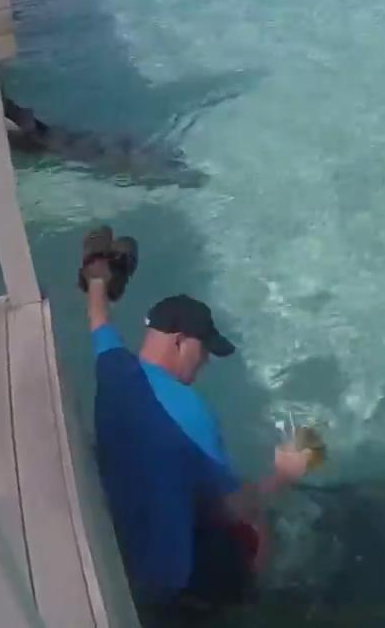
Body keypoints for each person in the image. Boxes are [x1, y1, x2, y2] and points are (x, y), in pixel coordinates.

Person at [81, 227, 310, 624]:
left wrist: (98, 279)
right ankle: (253, 608)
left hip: (118, 544)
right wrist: (283, 475)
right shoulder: (191, 414)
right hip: (166, 587)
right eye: (203, 351)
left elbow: (99, 320)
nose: (203, 364)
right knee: (255, 525)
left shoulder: (113, 368)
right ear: (181, 342)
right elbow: (230, 510)